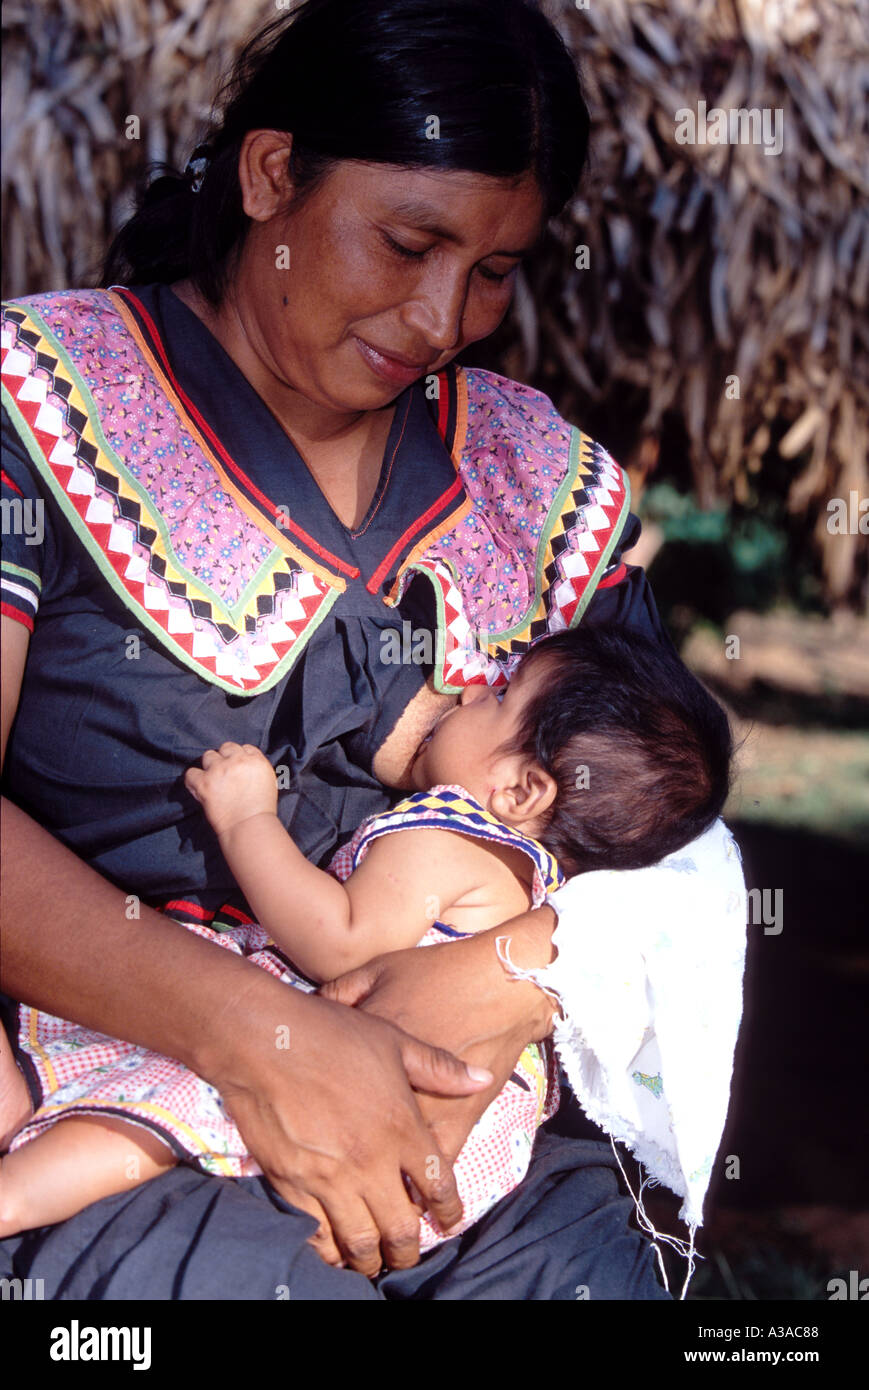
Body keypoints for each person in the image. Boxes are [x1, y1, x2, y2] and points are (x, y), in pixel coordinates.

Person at [0, 0, 677, 1297]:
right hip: (128, 1122)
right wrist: (265, 1036)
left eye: (492, 268)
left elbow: (664, 818)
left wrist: (512, 971)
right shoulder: (40, 398)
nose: (442, 316)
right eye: (409, 241)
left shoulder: (534, 472)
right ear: (271, 176)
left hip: (475, 1138)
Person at [0, 627, 733, 1250]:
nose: (474, 690)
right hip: (456, 1139)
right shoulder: (531, 879)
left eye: (503, 696)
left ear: (520, 791)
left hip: (365, 1068)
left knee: (169, 1105)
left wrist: (246, 820)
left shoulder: (448, 838)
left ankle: (18, 1198)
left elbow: (338, 942)